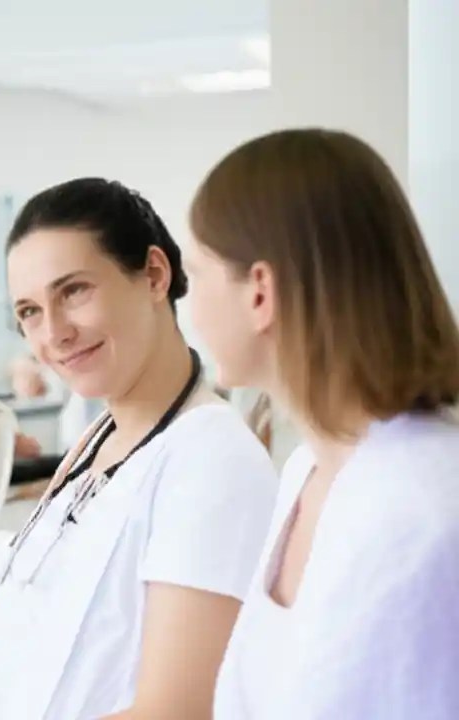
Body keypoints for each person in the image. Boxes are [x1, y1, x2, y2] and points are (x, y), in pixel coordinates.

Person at [0, 178, 279, 720]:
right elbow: (10, 665)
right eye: (28, 311)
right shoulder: (95, 446)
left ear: (155, 275)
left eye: (74, 291)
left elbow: (175, 713)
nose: (55, 333)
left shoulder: (211, 460)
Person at [186, 129, 459, 718]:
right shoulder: (308, 470)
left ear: (260, 291)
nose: (192, 306)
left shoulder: (421, 507)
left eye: (198, 274)